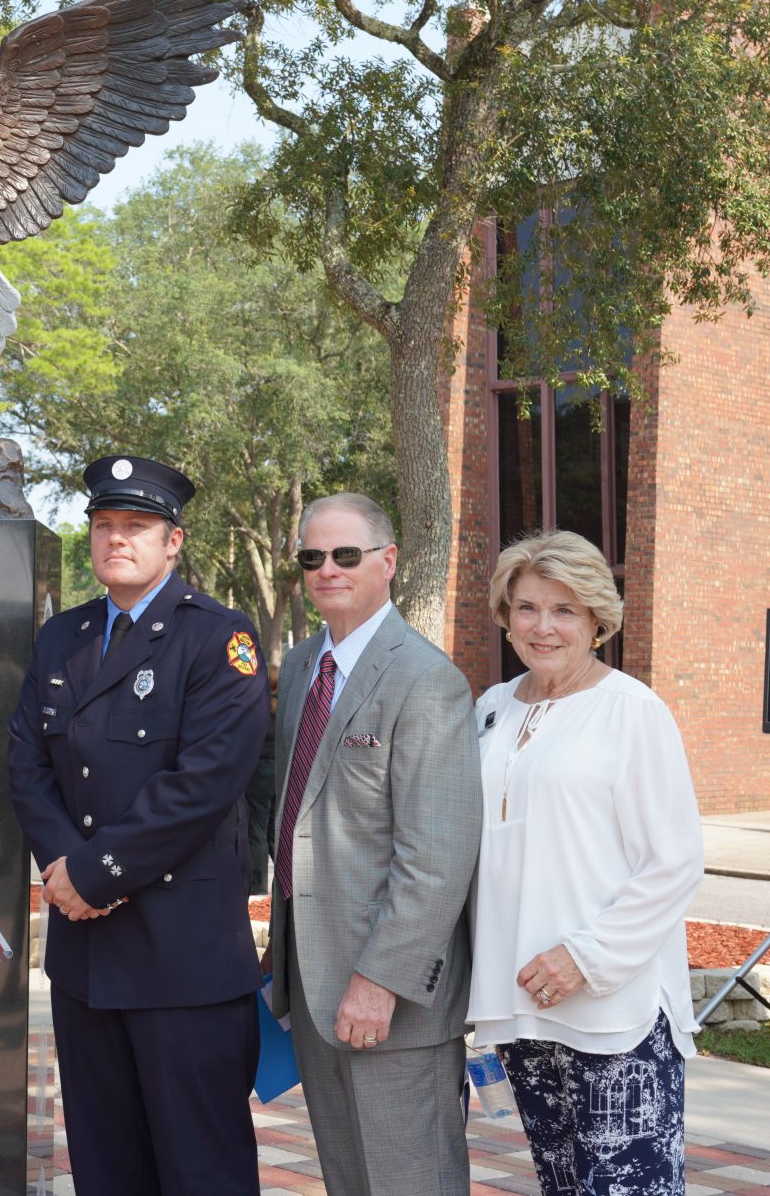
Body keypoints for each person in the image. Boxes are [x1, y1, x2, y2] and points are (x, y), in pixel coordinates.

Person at [7, 455, 270, 1196]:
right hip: (87, 958)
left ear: (173, 541)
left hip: (181, 957)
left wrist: (96, 874)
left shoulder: (219, 638)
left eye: (137, 526)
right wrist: (65, 872)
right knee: (105, 1165)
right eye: (104, 525)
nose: (116, 539)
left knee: (199, 1167)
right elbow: (27, 764)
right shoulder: (65, 636)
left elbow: (205, 784)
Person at [469, 529, 703, 1195]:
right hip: (520, 1002)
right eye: (526, 607)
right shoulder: (491, 709)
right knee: (561, 1184)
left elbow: (675, 862)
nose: (542, 626)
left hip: (610, 1005)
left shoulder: (632, 712)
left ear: (598, 620)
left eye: (564, 610)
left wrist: (585, 958)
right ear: (506, 615)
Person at [267, 492, 480, 1196]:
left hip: (386, 995)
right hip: (312, 982)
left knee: (408, 1183)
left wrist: (379, 981)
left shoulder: (428, 681)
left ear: (388, 562)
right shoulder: (302, 667)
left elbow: (437, 857)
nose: (328, 569)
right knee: (349, 1182)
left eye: (346, 555)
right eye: (313, 557)